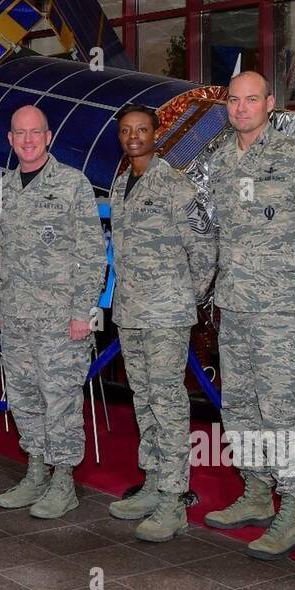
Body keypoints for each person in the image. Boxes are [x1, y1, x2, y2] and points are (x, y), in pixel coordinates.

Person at [203, 71, 295, 560]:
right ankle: (257, 492)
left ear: (270, 104)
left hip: (281, 311)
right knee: (239, 407)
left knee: (282, 410)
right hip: (234, 308)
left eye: (251, 99)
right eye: (234, 100)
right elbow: (218, 237)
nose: (241, 108)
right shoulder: (219, 162)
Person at [104, 105, 218, 541]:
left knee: (168, 403)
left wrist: (188, 298)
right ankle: (152, 484)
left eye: (142, 130)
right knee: (144, 398)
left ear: (157, 133)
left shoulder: (174, 184)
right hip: (131, 312)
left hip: (166, 314)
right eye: (127, 130)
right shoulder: (120, 186)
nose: (134, 136)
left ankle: (174, 499)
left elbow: (204, 244)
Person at [0, 105, 105, 519]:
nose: (27, 139)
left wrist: (80, 312)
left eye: (35, 132)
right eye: (20, 133)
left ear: (49, 136)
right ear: (10, 139)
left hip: (60, 319)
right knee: (24, 398)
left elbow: (93, 256)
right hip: (16, 317)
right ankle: (35, 471)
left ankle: (63, 482)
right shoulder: (7, 186)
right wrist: (0, 306)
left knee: (60, 401)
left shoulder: (73, 185)